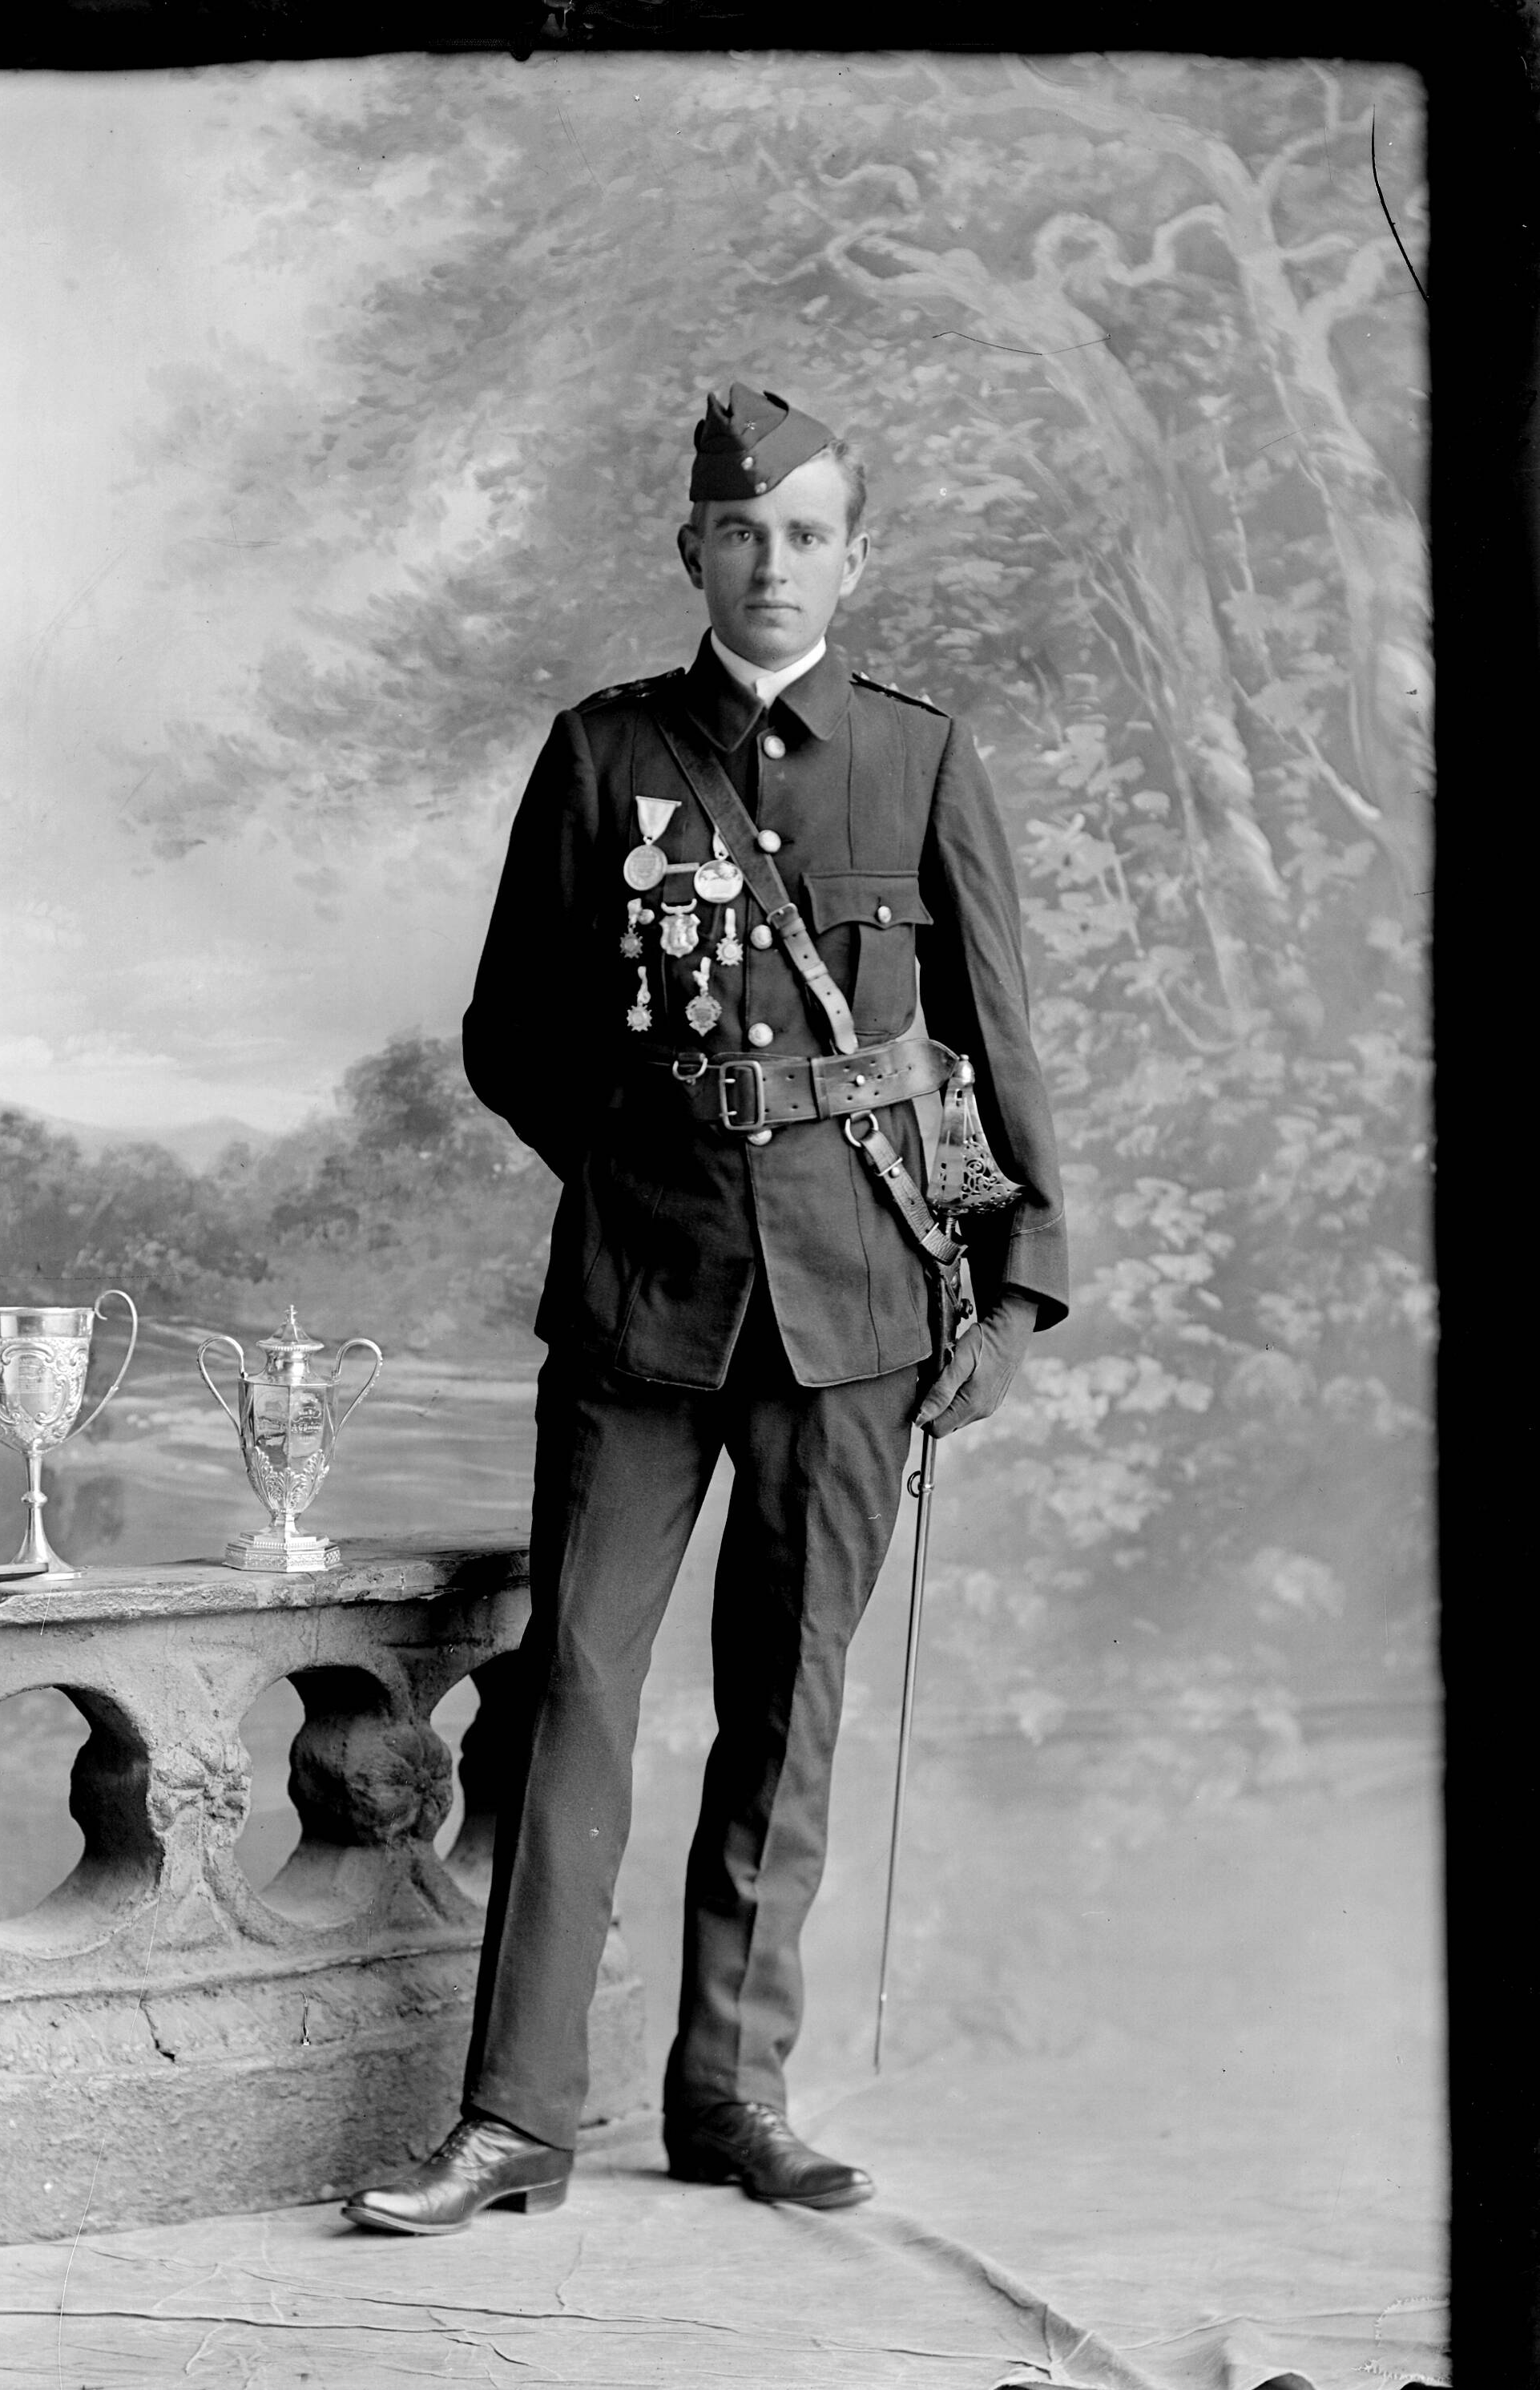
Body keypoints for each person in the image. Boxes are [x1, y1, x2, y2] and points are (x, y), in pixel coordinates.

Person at [344, 382, 1066, 2235]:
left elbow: (991, 1042)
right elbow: (509, 1032)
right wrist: (640, 1161)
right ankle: (513, 2118)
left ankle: (732, 2095)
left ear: (851, 556)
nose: (770, 563)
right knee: (572, 1692)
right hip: (639, 1298)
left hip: (859, 1309)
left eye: (804, 533)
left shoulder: (916, 760)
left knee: (783, 1700)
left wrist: (1012, 1295)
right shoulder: (603, 754)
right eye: (739, 532)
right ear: (690, 549)